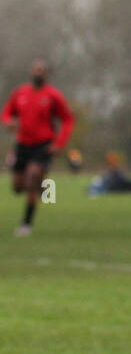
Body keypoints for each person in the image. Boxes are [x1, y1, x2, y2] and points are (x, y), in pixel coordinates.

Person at [3, 60, 75, 236]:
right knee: (18, 186)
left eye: (42, 70)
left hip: (43, 145)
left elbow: (68, 119)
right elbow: (6, 113)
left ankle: (26, 224)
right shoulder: (20, 93)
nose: (38, 73)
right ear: (31, 72)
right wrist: (9, 122)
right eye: (36, 70)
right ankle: (42, 187)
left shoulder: (53, 95)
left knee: (33, 177)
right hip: (22, 144)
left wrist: (59, 144)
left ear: (46, 74)